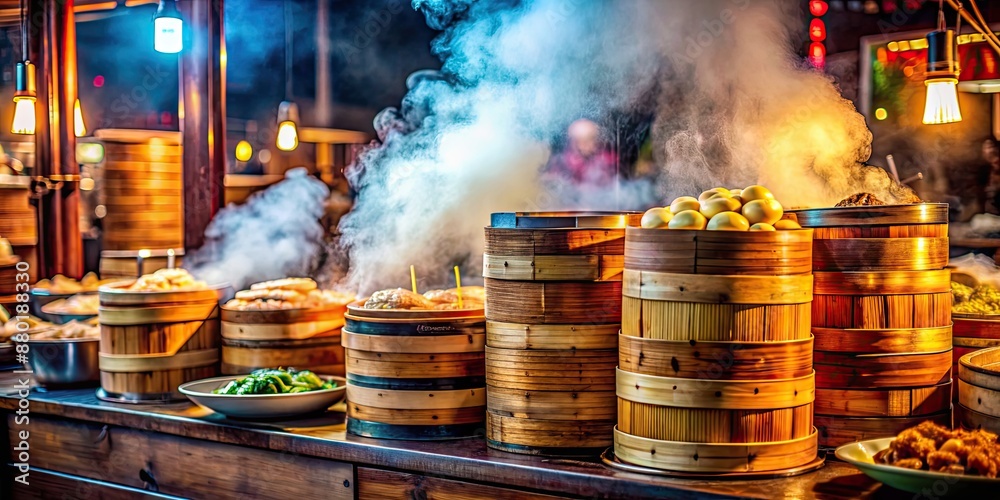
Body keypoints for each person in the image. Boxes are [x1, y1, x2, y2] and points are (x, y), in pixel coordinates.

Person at [544, 119, 618, 187]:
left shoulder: (607, 160)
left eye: (593, 139)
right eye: (582, 141)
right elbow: (549, 178)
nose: (590, 145)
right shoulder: (564, 161)